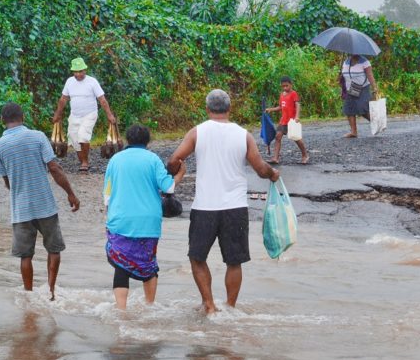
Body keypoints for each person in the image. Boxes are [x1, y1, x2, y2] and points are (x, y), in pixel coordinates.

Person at [166, 89, 280, 314]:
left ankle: (209, 305)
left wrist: (176, 171)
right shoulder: (243, 134)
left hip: (205, 206)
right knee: (234, 261)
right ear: (230, 109)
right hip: (235, 207)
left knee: (197, 258)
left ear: (208, 109)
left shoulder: (197, 132)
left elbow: (174, 159)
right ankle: (230, 307)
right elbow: (259, 168)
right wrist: (273, 174)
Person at [0, 102, 80, 300]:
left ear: (2, 121)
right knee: (54, 249)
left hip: (21, 210)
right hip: (45, 206)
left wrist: (18, 190)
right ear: (22, 117)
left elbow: (7, 182)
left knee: (25, 256)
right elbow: (54, 168)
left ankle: (29, 294)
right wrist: (71, 193)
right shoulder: (38, 136)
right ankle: (51, 291)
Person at [103, 124, 186, 310]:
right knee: (148, 264)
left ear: (127, 140)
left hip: (120, 220)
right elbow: (168, 188)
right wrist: (180, 174)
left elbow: (107, 196)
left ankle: (121, 311)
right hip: (148, 223)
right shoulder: (153, 160)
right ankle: (149, 307)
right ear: (147, 141)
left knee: (120, 265)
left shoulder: (115, 160)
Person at [52, 57, 118, 172]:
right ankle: (81, 160)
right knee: (73, 138)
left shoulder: (92, 82)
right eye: (76, 72)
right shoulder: (69, 82)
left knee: (83, 136)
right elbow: (63, 99)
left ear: (85, 70)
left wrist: (109, 115)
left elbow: (102, 100)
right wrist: (58, 114)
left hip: (90, 114)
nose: (78, 74)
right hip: (74, 115)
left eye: (80, 71)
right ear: (73, 72)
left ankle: (85, 162)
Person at [265, 76, 310, 165]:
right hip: (283, 120)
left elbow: (298, 105)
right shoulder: (282, 95)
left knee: (296, 138)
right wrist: (271, 109)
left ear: (291, 84)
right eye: (283, 86)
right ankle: (275, 158)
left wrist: (297, 116)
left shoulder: (294, 94)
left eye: (287, 86)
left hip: (292, 121)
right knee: (278, 137)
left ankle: (305, 155)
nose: (285, 88)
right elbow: (280, 107)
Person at [339, 54, 378, 138]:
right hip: (350, 88)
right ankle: (354, 132)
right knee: (349, 109)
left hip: (363, 88)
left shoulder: (364, 62)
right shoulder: (346, 62)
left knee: (363, 109)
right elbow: (344, 75)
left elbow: (370, 75)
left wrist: (374, 87)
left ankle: (376, 121)